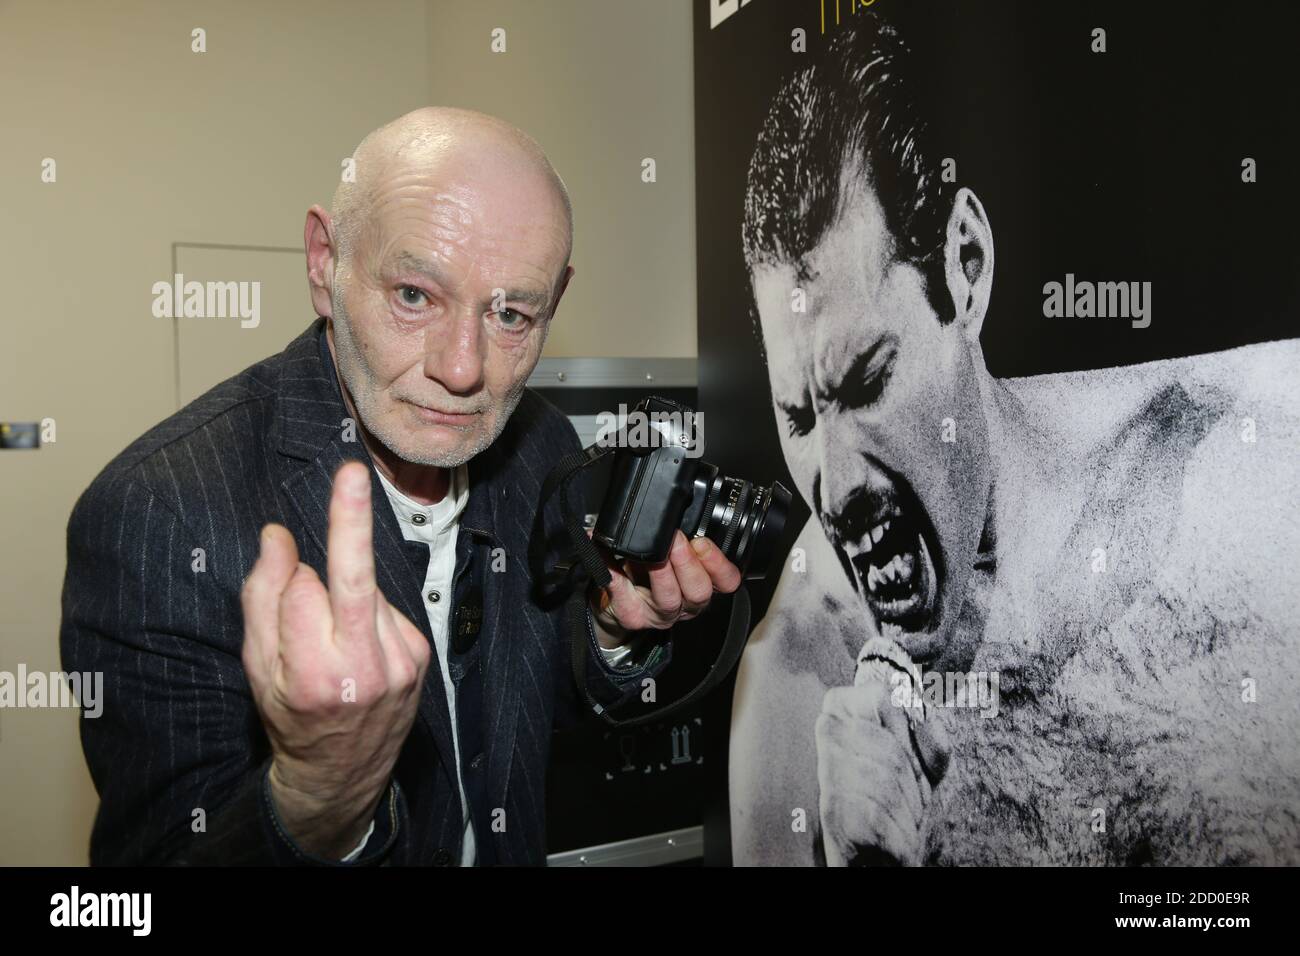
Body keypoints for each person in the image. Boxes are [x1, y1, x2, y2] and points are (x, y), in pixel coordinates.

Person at [60, 107, 741, 866]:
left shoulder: (541, 443)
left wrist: (612, 632)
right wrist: (319, 799)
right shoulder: (158, 511)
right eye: (414, 295)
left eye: (512, 313)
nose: (461, 369)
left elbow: (532, 730)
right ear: (324, 262)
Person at [729, 16, 1300, 865]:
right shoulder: (797, 682)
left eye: (868, 380)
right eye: (801, 418)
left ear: (965, 264)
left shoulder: (1247, 475)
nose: (835, 481)